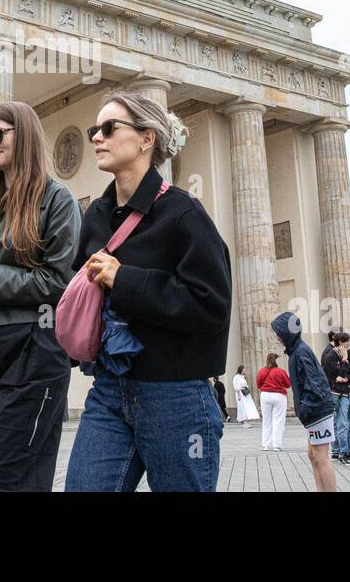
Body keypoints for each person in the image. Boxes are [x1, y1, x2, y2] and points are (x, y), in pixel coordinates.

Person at [64, 91, 231, 492]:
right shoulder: (97, 216)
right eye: (94, 130)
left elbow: (211, 303)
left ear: (146, 138)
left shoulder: (183, 212)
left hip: (176, 397)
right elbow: (80, 294)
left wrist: (126, 280)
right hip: (108, 391)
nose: (97, 138)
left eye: (108, 128)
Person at [0, 101, 79, 493]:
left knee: (3, 476)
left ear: (24, 136)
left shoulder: (58, 200)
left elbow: (60, 281)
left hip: (34, 346)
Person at [271, 312, 338, 492]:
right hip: (315, 410)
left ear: (287, 332)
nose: (277, 337)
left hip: (318, 410)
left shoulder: (300, 352)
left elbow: (313, 382)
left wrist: (305, 408)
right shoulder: (297, 351)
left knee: (321, 456)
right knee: (313, 455)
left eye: (278, 332)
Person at [321, 331, 350, 465]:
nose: (349, 344)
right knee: (342, 425)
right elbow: (339, 374)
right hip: (339, 395)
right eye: (347, 342)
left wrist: (345, 378)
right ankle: (344, 453)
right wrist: (344, 361)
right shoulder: (330, 357)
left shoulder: (345, 356)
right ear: (340, 343)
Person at [257, 354, 290, 452]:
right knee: (278, 421)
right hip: (279, 396)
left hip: (265, 395)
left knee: (266, 421)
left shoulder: (262, 371)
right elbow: (288, 384)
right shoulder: (280, 371)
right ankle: (277, 445)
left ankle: (265, 445)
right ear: (276, 360)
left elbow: (258, 384)